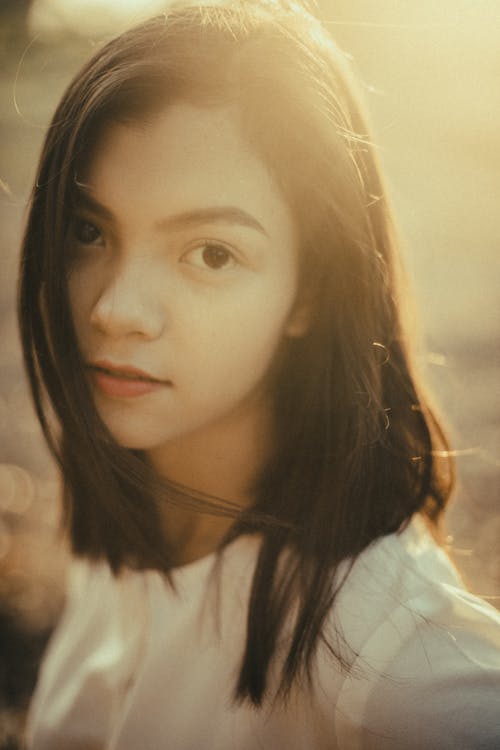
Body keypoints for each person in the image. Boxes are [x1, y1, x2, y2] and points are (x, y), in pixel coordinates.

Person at [18, 1, 500, 748]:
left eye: (211, 253)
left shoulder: (375, 644)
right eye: (89, 231)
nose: (115, 308)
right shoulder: (137, 511)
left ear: (312, 287)